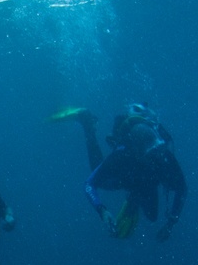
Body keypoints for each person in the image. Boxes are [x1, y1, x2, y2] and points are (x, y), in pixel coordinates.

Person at [54, 104, 186, 242]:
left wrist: (171, 223)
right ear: (137, 152)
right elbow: (89, 184)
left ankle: (134, 196)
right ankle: (87, 122)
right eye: (150, 156)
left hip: (146, 180)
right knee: (97, 170)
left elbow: (182, 189)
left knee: (152, 216)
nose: (156, 159)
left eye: (157, 154)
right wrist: (102, 211)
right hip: (128, 176)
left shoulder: (163, 154)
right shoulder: (122, 155)